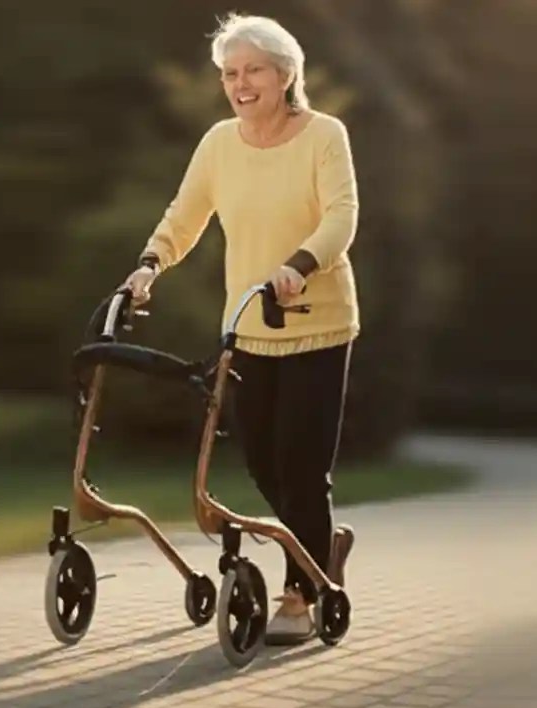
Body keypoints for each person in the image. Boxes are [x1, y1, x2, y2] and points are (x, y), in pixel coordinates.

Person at [122, 13, 359, 645]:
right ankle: (321, 549)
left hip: (318, 323)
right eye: (230, 73)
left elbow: (341, 216)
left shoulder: (323, 136)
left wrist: (300, 265)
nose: (240, 83)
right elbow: (185, 215)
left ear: (286, 74)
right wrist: (149, 266)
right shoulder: (220, 143)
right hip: (249, 328)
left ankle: (300, 593)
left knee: (302, 467)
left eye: (253, 69)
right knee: (261, 463)